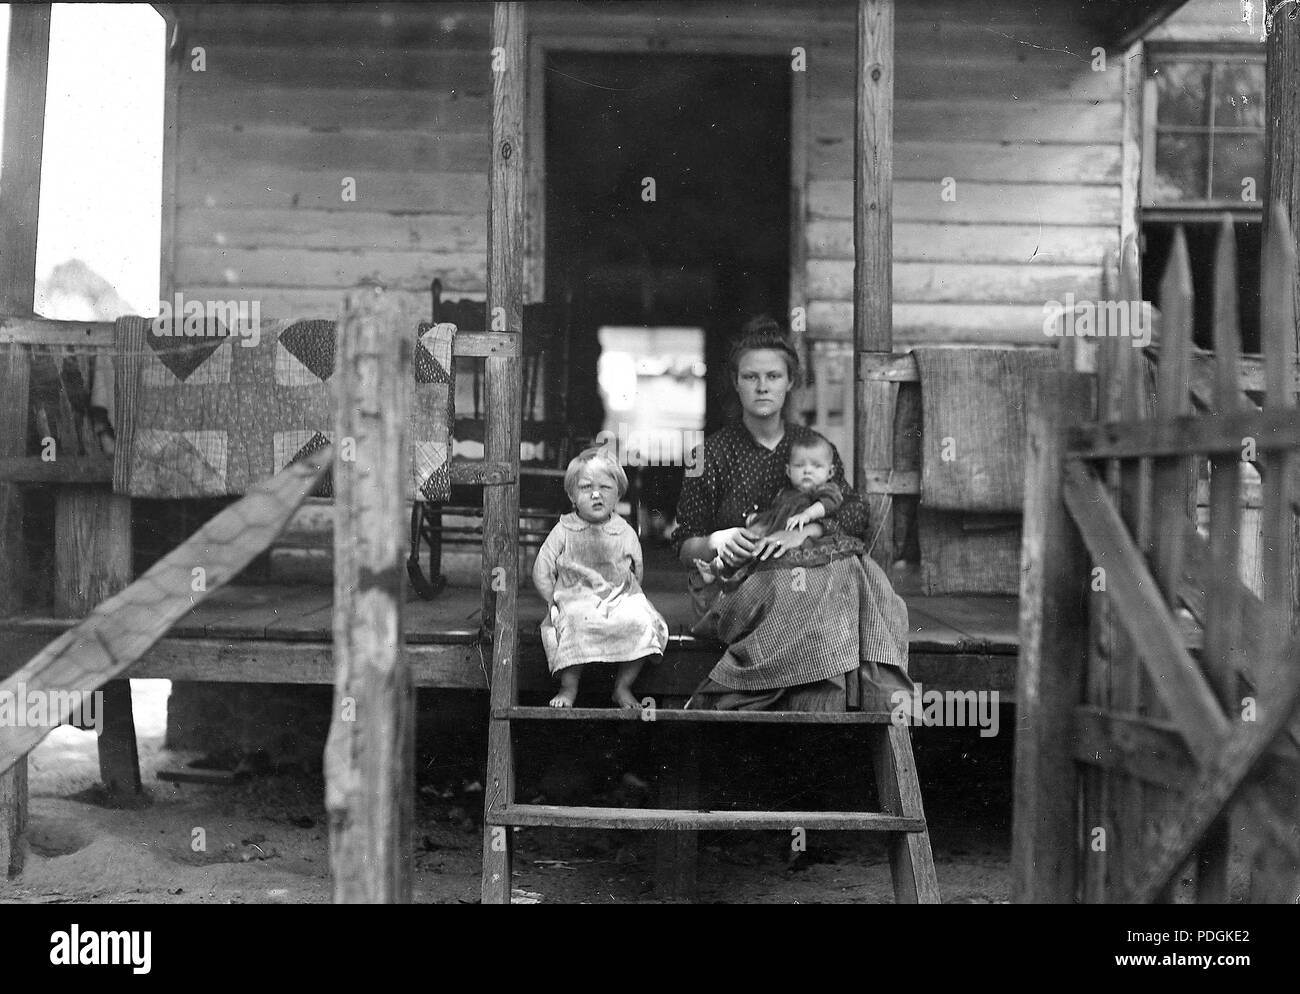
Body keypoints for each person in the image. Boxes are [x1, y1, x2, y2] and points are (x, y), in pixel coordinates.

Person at [673, 317, 910, 712]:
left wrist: (805, 531)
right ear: (735, 382)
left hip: (803, 577)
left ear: (790, 382)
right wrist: (719, 541)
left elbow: (853, 510)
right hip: (734, 586)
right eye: (750, 376)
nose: (762, 386)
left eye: (773, 376)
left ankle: (816, 700)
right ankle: (819, 697)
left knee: (851, 571)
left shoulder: (812, 447)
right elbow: (684, 544)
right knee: (819, 583)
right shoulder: (708, 455)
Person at [533, 447, 668, 709]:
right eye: (586, 488)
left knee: (641, 620)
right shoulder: (564, 530)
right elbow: (542, 569)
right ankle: (569, 687)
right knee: (574, 622)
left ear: (618, 494)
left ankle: (622, 687)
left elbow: (636, 569)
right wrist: (552, 601)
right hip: (576, 597)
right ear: (572, 495)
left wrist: (627, 595)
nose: (596, 494)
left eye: (605, 488)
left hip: (617, 596)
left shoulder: (623, 531)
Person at [693, 431, 843, 587]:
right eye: (799, 465)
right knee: (746, 544)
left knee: (760, 556)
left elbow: (829, 502)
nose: (807, 471)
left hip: (797, 538)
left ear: (830, 472)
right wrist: (758, 517)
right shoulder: (785, 493)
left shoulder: (824, 490)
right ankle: (715, 567)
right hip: (771, 531)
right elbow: (776, 512)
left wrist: (807, 514)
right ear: (788, 471)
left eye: (817, 466)